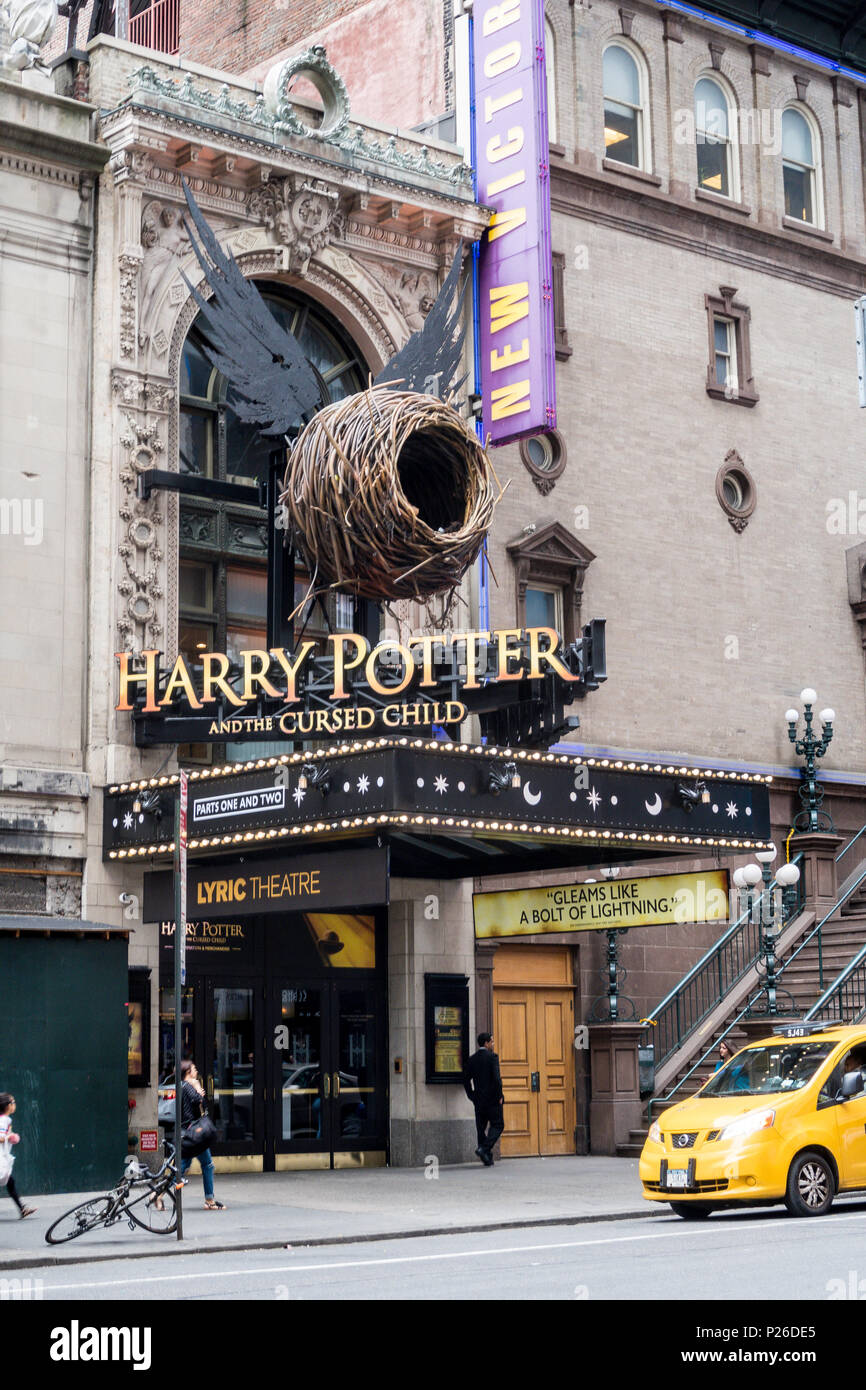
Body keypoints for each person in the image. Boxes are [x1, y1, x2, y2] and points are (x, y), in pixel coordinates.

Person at [179, 1061, 225, 1210]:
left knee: (204, 1164)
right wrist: (198, 1087)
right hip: (193, 1131)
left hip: (192, 1131)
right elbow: (199, 1101)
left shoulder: (184, 1086)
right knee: (186, 1165)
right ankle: (158, 1195)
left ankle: (210, 1199)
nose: (196, 1071)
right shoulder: (187, 1086)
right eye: (194, 1069)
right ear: (187, 1072)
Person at [463, 1032, 505, 1167]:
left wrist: (471, 1095)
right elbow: (497, 1080)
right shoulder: (492, 1057)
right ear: (486, 1043)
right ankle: (484, 1149)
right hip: (493, 1100)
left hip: (479, 1100)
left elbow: (465, 1080)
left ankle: (487, 1158)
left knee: (481, 1129)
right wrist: (499, 1096)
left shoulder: (472, 1059)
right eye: (491, 1041)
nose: (493, 1044)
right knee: (498, 1125)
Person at [0, 1093, 36, 1219]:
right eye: (13, 1102)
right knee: (8, 1180)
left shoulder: (5, 1119)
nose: (14, 1105)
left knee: (10, 1181)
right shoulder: (4, 1120)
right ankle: (22, 1209)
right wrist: (10, 1137)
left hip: (3, 1156)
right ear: (7, 1106)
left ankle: (22, 1209)